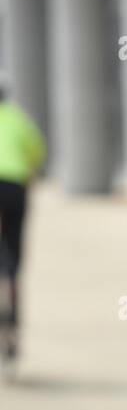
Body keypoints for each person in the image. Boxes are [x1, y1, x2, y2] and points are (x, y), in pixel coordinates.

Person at [0, 79, 47, 364]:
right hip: (14, 188)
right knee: (13, 256)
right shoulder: (18, 118)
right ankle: (13, 329)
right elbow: (37, 151)